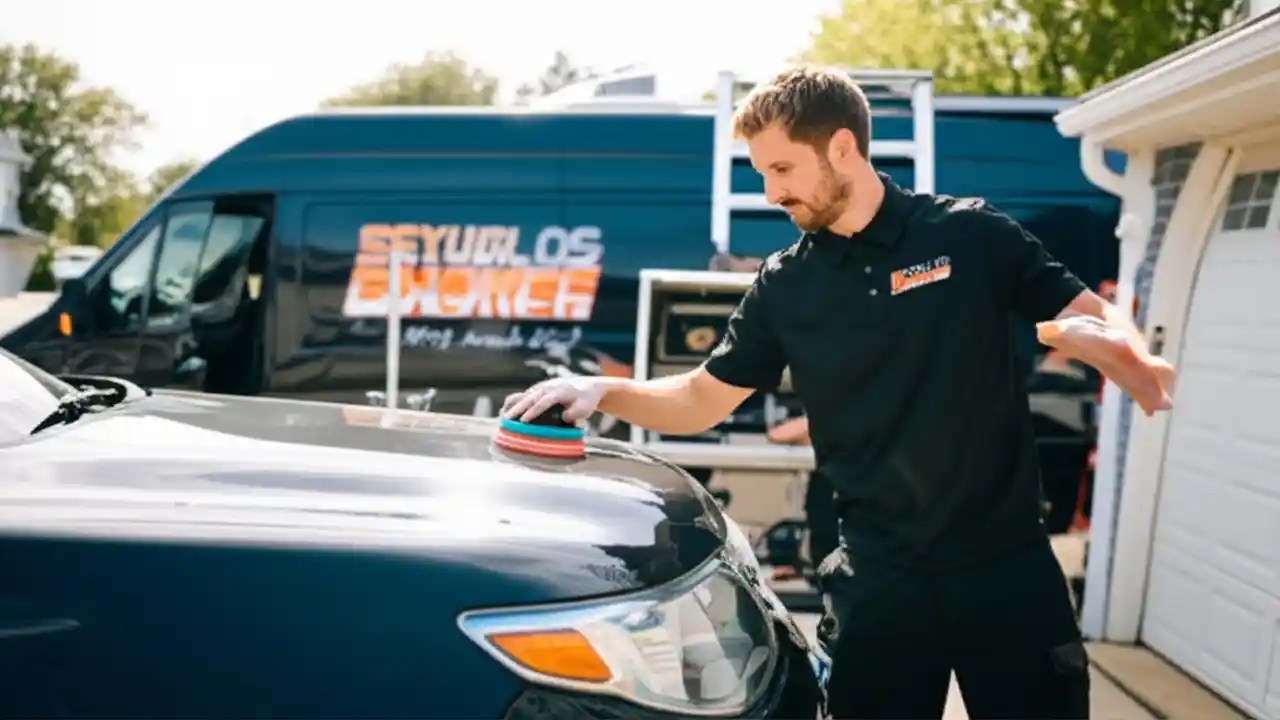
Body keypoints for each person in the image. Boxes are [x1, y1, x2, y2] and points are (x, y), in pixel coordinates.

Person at [502, 66, 1174, 719]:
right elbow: (702, 399)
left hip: (1007, 574)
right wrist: (603, 390)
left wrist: (1131, 354)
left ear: (843, 148)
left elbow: (1094, 314)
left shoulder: (969, 235)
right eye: (761, 174)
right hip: (880, 585)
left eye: (782, 169)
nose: (771, 193)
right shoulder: (786, 286)